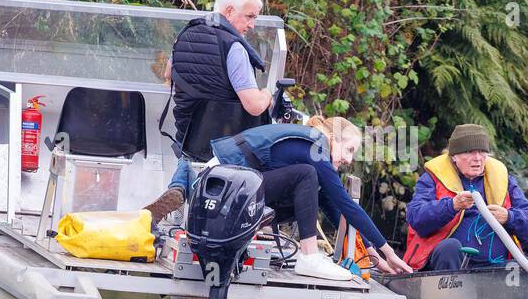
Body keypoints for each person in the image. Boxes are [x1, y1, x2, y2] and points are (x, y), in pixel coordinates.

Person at [145, 116, 413, 280]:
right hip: (222, 189)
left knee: (314, 190)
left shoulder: (313, 147)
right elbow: (347, 206)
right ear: (333, 138)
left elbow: (336, 210)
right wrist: (389, 252)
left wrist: (372, 254)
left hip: (227, 192)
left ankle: (250, 225)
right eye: (349, 149)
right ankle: (309, 257)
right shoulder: (317, 147)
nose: (349, 159)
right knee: (307, 176)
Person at [403, 123, 528, 271]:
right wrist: (451, 205)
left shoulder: (504, 179)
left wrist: (509, 217)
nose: (477, 158)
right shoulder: (432, 178)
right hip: (449, 268)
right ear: (454, 156)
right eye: (469, 152)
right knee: (450, 247)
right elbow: (416, 218)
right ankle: (449, 293)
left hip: (496, 268)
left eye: (482, 151)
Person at [163, 0, 272, 162]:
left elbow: (168, 75)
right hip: (227, 151)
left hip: (188, 142)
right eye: (249, 16)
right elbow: (254, 106)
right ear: (229, 11)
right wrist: (267, 94)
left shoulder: (185, 35)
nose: (252, 25)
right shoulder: (234, 47)